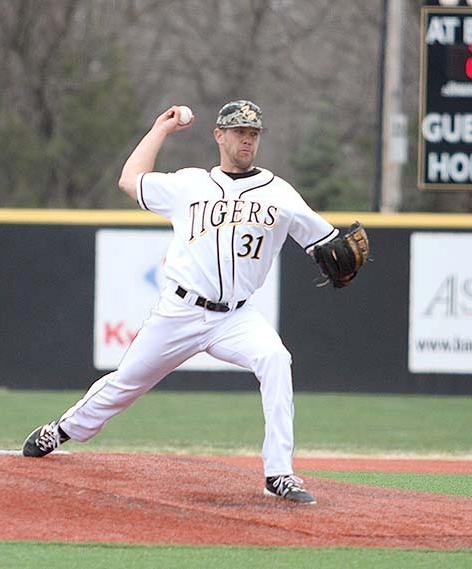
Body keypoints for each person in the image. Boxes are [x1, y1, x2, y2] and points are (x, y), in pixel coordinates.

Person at [22, 100, 344, 505]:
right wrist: (160, 130)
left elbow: (326, 241)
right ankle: (63, 430)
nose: (247, 139)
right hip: (180, 311)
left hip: (237, 317)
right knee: (126, 383)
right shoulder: (189, 185)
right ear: (219, 136)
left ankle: (279, 472)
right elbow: (130, 180)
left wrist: (337, 253)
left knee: (276, 359)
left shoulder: (279, 193)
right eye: (239, 132)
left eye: (253, 133)